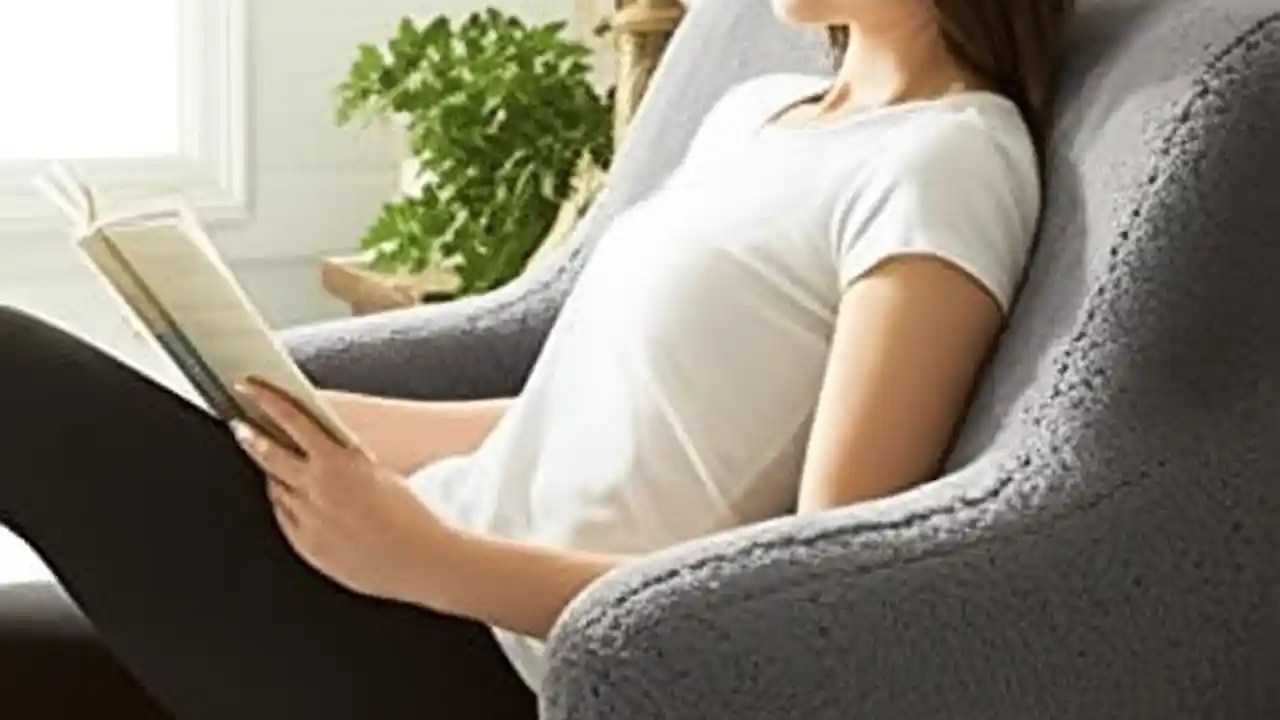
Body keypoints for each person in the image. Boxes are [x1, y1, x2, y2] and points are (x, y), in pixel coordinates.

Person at [0, 0, 1074, 717]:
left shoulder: (945, 164)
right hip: (408, 564)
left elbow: (817, 584)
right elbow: (586, 413)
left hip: (490, 656)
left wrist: (421, 559)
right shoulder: (757, 115)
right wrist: (314, 413)